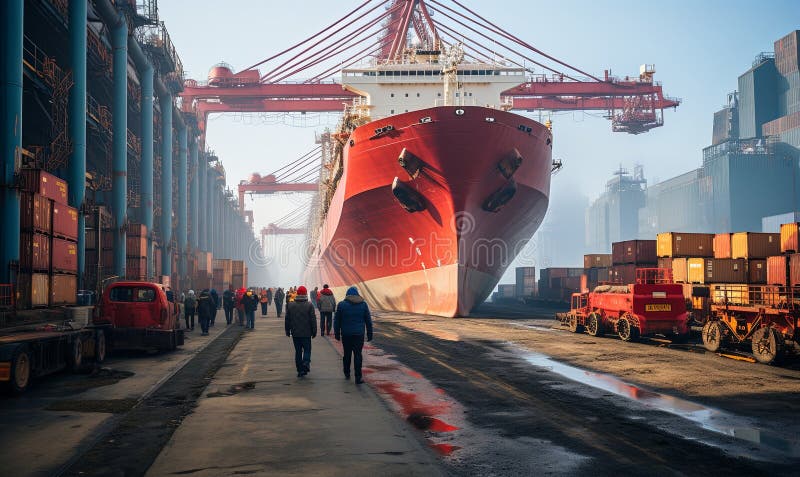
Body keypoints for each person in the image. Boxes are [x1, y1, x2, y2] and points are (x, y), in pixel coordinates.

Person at [334, 286, 373, 384]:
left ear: (347, 295)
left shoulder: (341, 305)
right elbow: (368, 321)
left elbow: (337, 321)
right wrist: (369, 333)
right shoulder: (363, 305)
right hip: (358, 334)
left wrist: (337, 333)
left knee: (347, 354)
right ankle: (358, 377)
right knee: (357, 355)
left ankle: (347, 372)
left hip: (346, 334)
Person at [285, 286, 317, 377]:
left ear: (298, 294)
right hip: (306, 333)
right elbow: (313, 320)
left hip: (295, 333)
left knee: (298, 351)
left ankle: (300, 370)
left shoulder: (291, 305)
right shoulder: (309, 305)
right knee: (307, 349)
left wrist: (287, 331)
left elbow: (287, 319)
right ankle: (306, 363)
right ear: (305, 293)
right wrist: (314, 331)